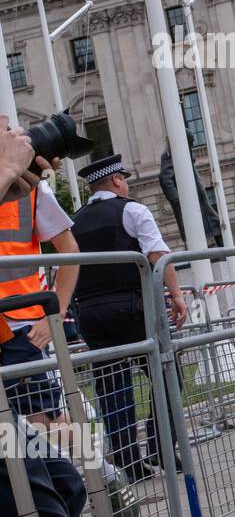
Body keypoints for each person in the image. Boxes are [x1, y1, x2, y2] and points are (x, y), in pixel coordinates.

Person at [0, 117, 86, 517]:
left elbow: (68, 251)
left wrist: (53, 314)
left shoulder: (23, 190)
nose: (16, 135)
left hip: (20, 333)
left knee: (62, 481)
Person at [70, 155, 188, 484]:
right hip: (133, 310)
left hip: (91, 314)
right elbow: (157, 255)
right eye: (125, 178)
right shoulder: (132, 210)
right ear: (117, 181)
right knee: (167, 373)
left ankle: (128, 462)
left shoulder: (73, 221)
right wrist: (176, 295)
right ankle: (162, 446)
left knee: (111, 388)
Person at [0, 159, 81, 429]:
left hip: (21, 327)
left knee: (46, 421)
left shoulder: (31, 186)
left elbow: (69, 249)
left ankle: (102, 471)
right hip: (19, 324)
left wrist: (55, 313)